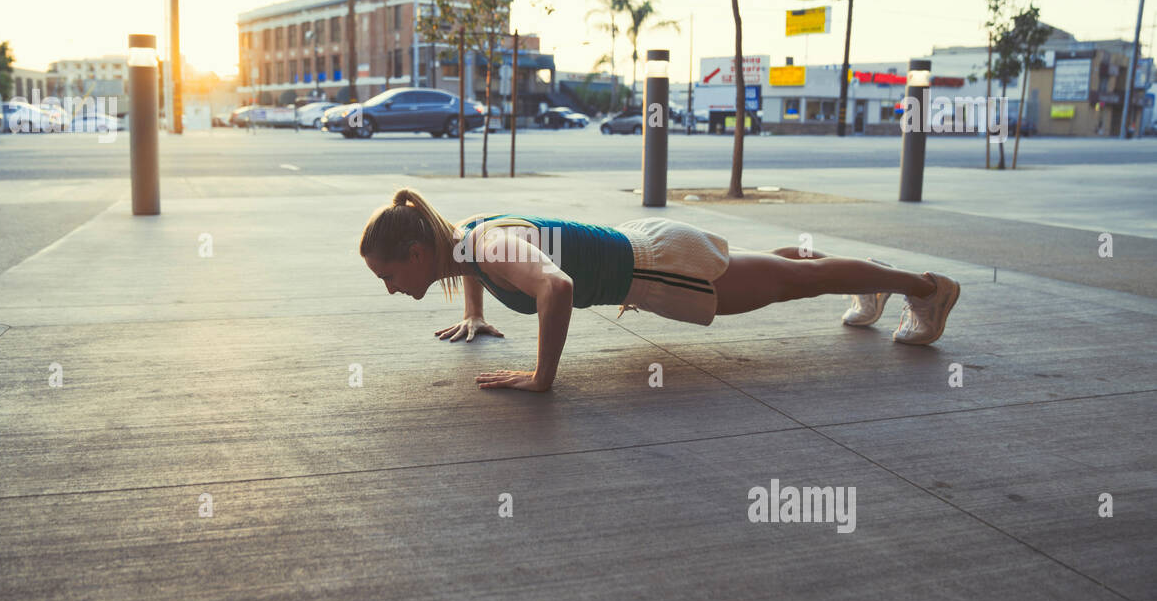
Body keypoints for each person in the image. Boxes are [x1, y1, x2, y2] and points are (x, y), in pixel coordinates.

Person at [359, 188, 960, 393]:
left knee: (789, 282)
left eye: (388, 276)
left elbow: (558, 286)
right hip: (648, 248)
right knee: (780, 267)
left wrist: (542, 378)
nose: (389, 290)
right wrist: (474, 315)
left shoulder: (484, 246)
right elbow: (469, 266)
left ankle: (927, 287)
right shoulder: (462, 240)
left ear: (416, 253)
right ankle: (873, 276)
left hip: (659, 269)